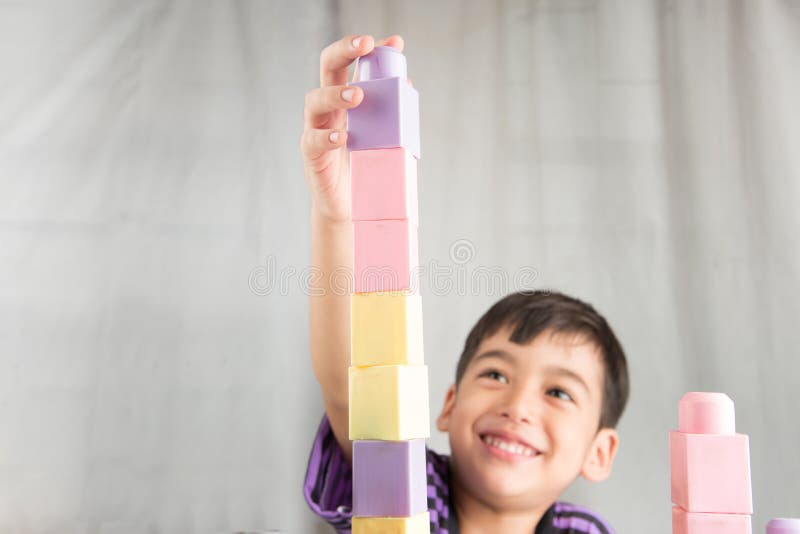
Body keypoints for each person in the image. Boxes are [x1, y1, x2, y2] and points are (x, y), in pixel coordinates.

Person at [299, 34, 630, 534]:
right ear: (448, 405)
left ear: (599, 452)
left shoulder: (581, 532)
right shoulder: (413, 488)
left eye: (559, 392)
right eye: (495, 375)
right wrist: (341, 218)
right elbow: (356, 394)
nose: (516, 407)